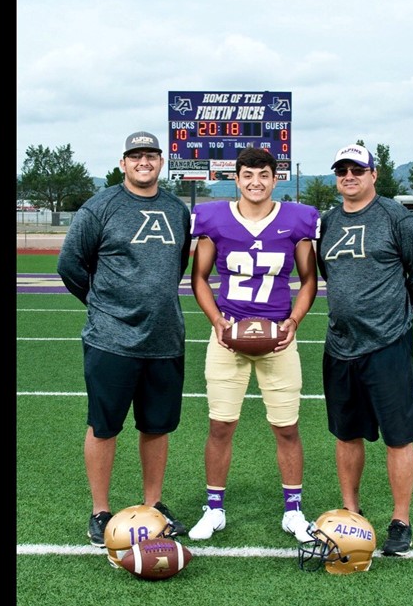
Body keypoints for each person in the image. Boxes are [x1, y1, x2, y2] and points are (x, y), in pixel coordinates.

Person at [57, 130, 192, 547]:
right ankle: (100, 511)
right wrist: (104, 306)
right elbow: (70, 265)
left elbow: (178, 264)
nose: (143, 162)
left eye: (151, 155)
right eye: (136, 156)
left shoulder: (175, 209)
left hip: (164, 337)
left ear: (161, 162)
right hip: (110, 339)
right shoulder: (100, 207)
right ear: (123, 163)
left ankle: (153, 505)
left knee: (156, 426)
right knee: (104, 426)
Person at [186, 146, 320, 543]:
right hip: (228, 338)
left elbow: (309, 278)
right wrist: (218, 323)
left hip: (279, 338)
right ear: (237, 178)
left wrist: (293, 322)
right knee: (220, 426)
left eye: (263, 175)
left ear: (275, 179)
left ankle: (293, 512)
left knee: (288, 429)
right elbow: (199, 277)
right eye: (248, 175)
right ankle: (214, 509)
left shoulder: (297, 219)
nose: (255, 182)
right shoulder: (214, 218)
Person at [315, 143, 413, 556]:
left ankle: (400, 521)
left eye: (357, 169)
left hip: (386, 344)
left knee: (398, 437)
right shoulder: (328, 222)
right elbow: (326, 271)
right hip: (340, 345)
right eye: (342, 170)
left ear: (373, 174)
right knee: (347, 433)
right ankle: (351, 512)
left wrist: (400, 315)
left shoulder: (394, 216)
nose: (349, 176)